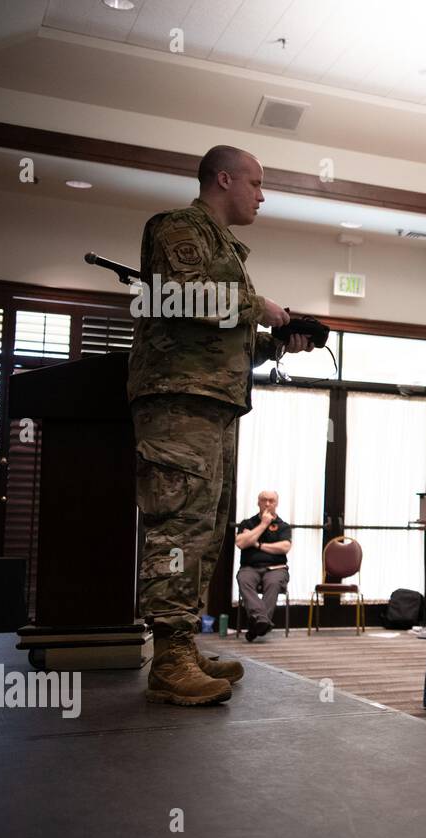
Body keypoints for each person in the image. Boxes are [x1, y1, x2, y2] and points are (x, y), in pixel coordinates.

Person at [130, 145, 313, 706]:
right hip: (178, 407)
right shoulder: (179, 228)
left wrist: (273, 342)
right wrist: (260, 306)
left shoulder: (228, 250)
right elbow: (181, 295)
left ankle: (182, 647)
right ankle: (169, 660)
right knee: (177, 528)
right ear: (223, 178)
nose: (262, 195)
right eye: (256, 183)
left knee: (204, 533)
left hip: (211, 407)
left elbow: (215, 339)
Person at [234, 490, 291, 641]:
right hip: (249, 568)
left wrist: (257, 544)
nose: (267, 504)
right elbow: (240, 543)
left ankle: (256, 624)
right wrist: (263, 524)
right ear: (257, 502)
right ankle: (262, 621)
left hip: (276, 568)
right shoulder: (248, 523)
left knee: (273, 583)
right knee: (243, 579)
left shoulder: (283, 526)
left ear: (276, 503)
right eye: (263, 500)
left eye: (271, 500)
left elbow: (284, 547)